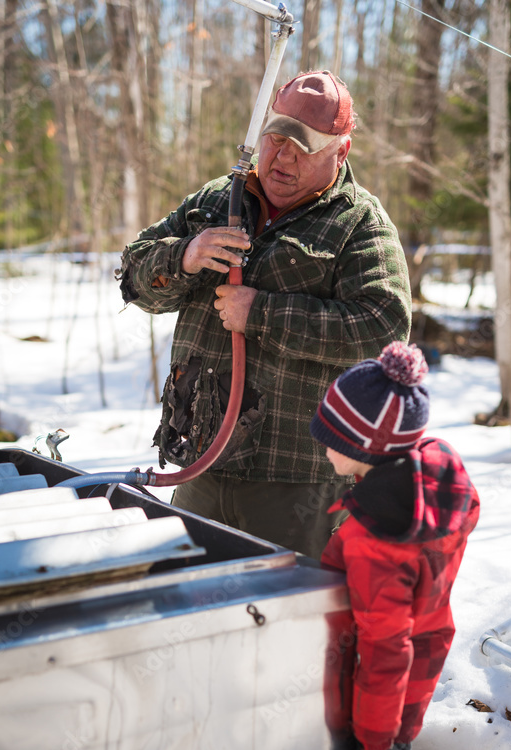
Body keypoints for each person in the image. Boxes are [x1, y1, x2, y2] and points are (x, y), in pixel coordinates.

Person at [116, 70, 411, 559]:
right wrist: (184, 256)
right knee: (181, 607)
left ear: (342, 150)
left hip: (296, 484)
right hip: (200, 461)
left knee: (279, 621)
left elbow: (384, 329)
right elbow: (133, 274)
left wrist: (264, 314)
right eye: (277, 137)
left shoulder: (359, 223)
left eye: (306, 145)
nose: (284, 155)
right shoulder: (219, 199)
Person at [310, 341, 480, 750]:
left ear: (367, 448)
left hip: (378, 700)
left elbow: (385, 648)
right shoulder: (438, 480)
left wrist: (373, 744)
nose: (322, 448)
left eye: (330, 438)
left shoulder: (376, 535)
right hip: (414, 684)